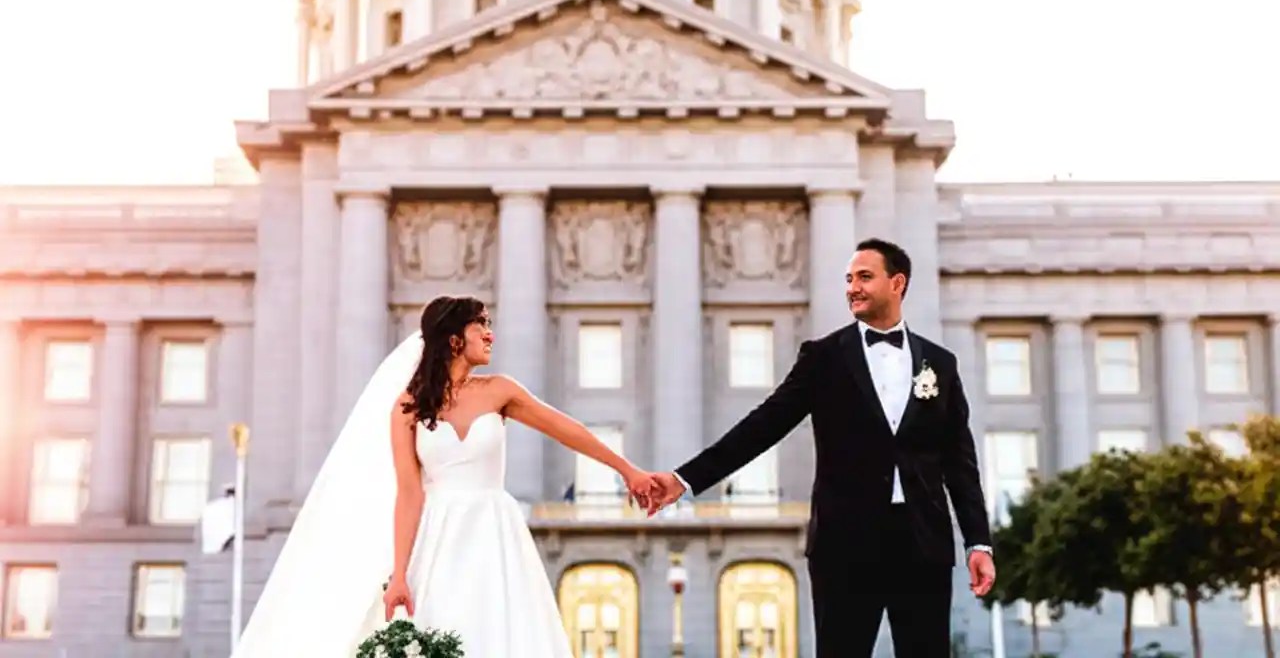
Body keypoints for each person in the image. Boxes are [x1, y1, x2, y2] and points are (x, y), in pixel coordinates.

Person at [230, 295, 658, 657]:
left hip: (493, 530)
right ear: (455, 339)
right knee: (438, 630)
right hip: (437, 538)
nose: (491, 332)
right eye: (481, 325)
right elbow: (409, 492)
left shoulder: (500, 390)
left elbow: (569, 431)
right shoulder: (407, 407)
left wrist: (629, 471)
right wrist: (399, 573)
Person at [643, 237, 997, 657]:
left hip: (922, 542)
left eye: (865, 277)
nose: (852, 287)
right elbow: (763, 426)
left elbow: (959, 460)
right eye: (848, 279)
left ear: (897, 282)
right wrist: (685, 479)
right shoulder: (824, 358)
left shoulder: (940, 363)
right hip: (845, 543)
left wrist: (978, 541)